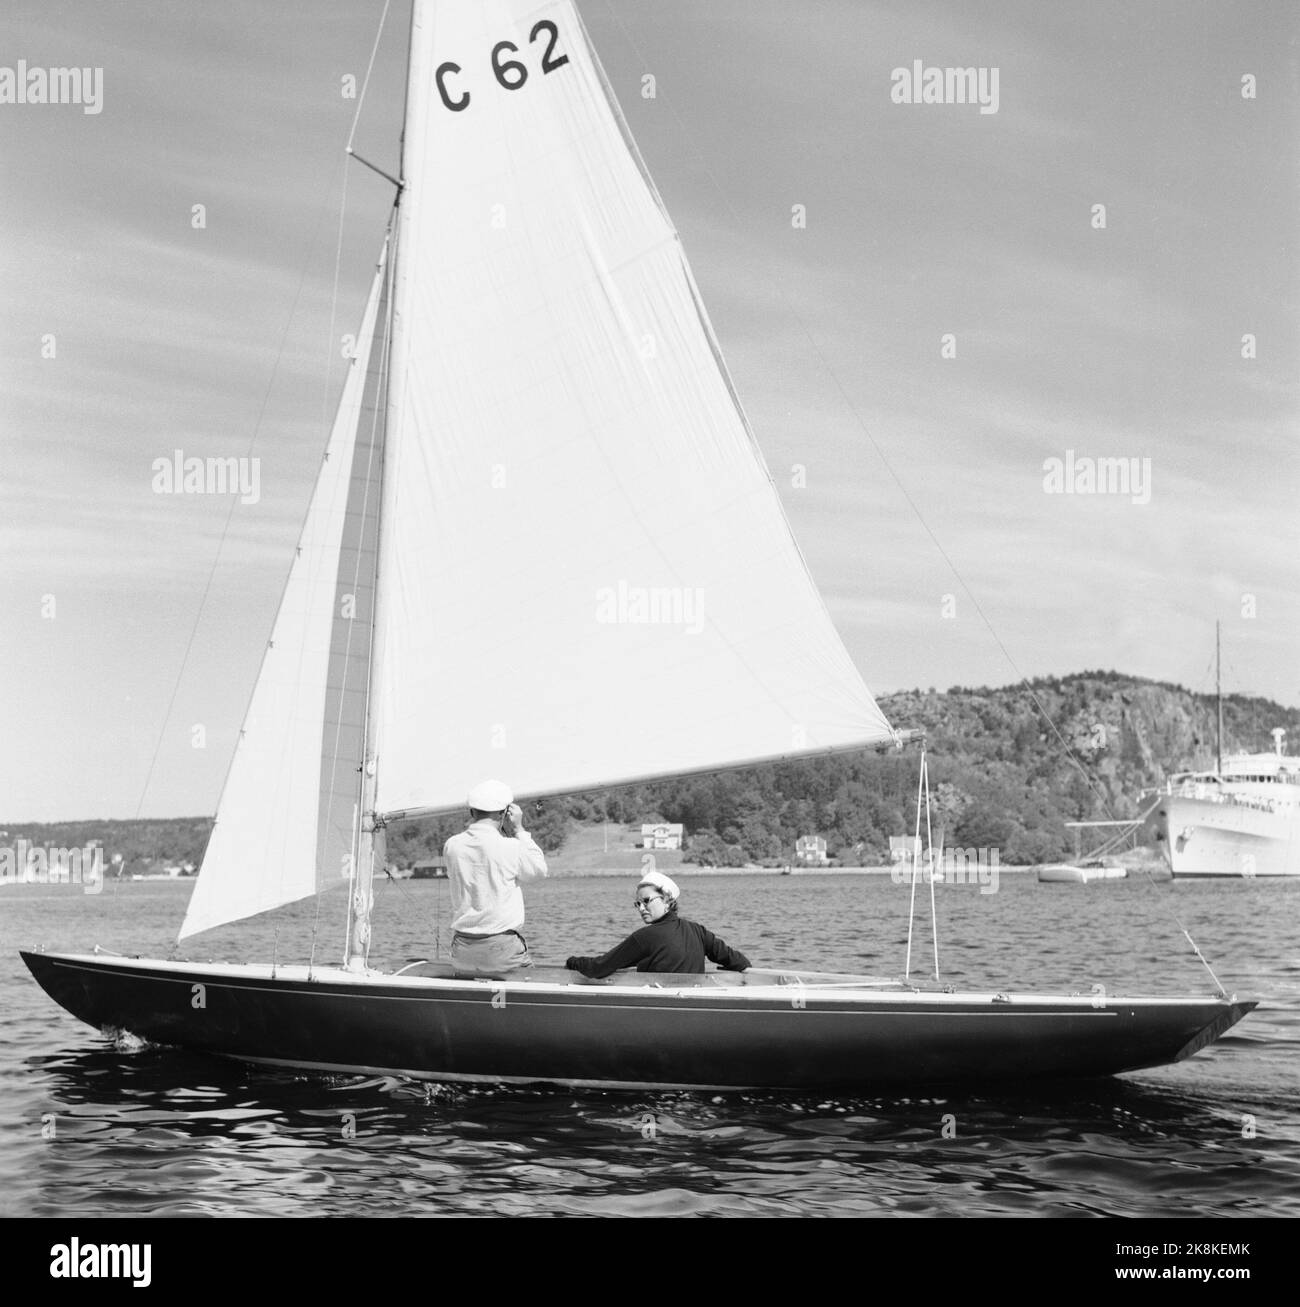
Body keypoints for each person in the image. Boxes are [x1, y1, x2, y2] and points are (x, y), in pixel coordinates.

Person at [443, 779, 547, 974]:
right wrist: (519, 830)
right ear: (504, 813)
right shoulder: (511, 847)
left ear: (472, 811)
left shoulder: (452, 845)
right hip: (501, 951)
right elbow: (539, 871)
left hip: (462, 951)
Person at [564, 871, 750, 979]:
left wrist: (572, 961)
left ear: (668, 901)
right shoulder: (698, 931)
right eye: (638, 903)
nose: (641, 908)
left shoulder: (644, 937)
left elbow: (599, 968)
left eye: (647, 901)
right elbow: (740, 962)